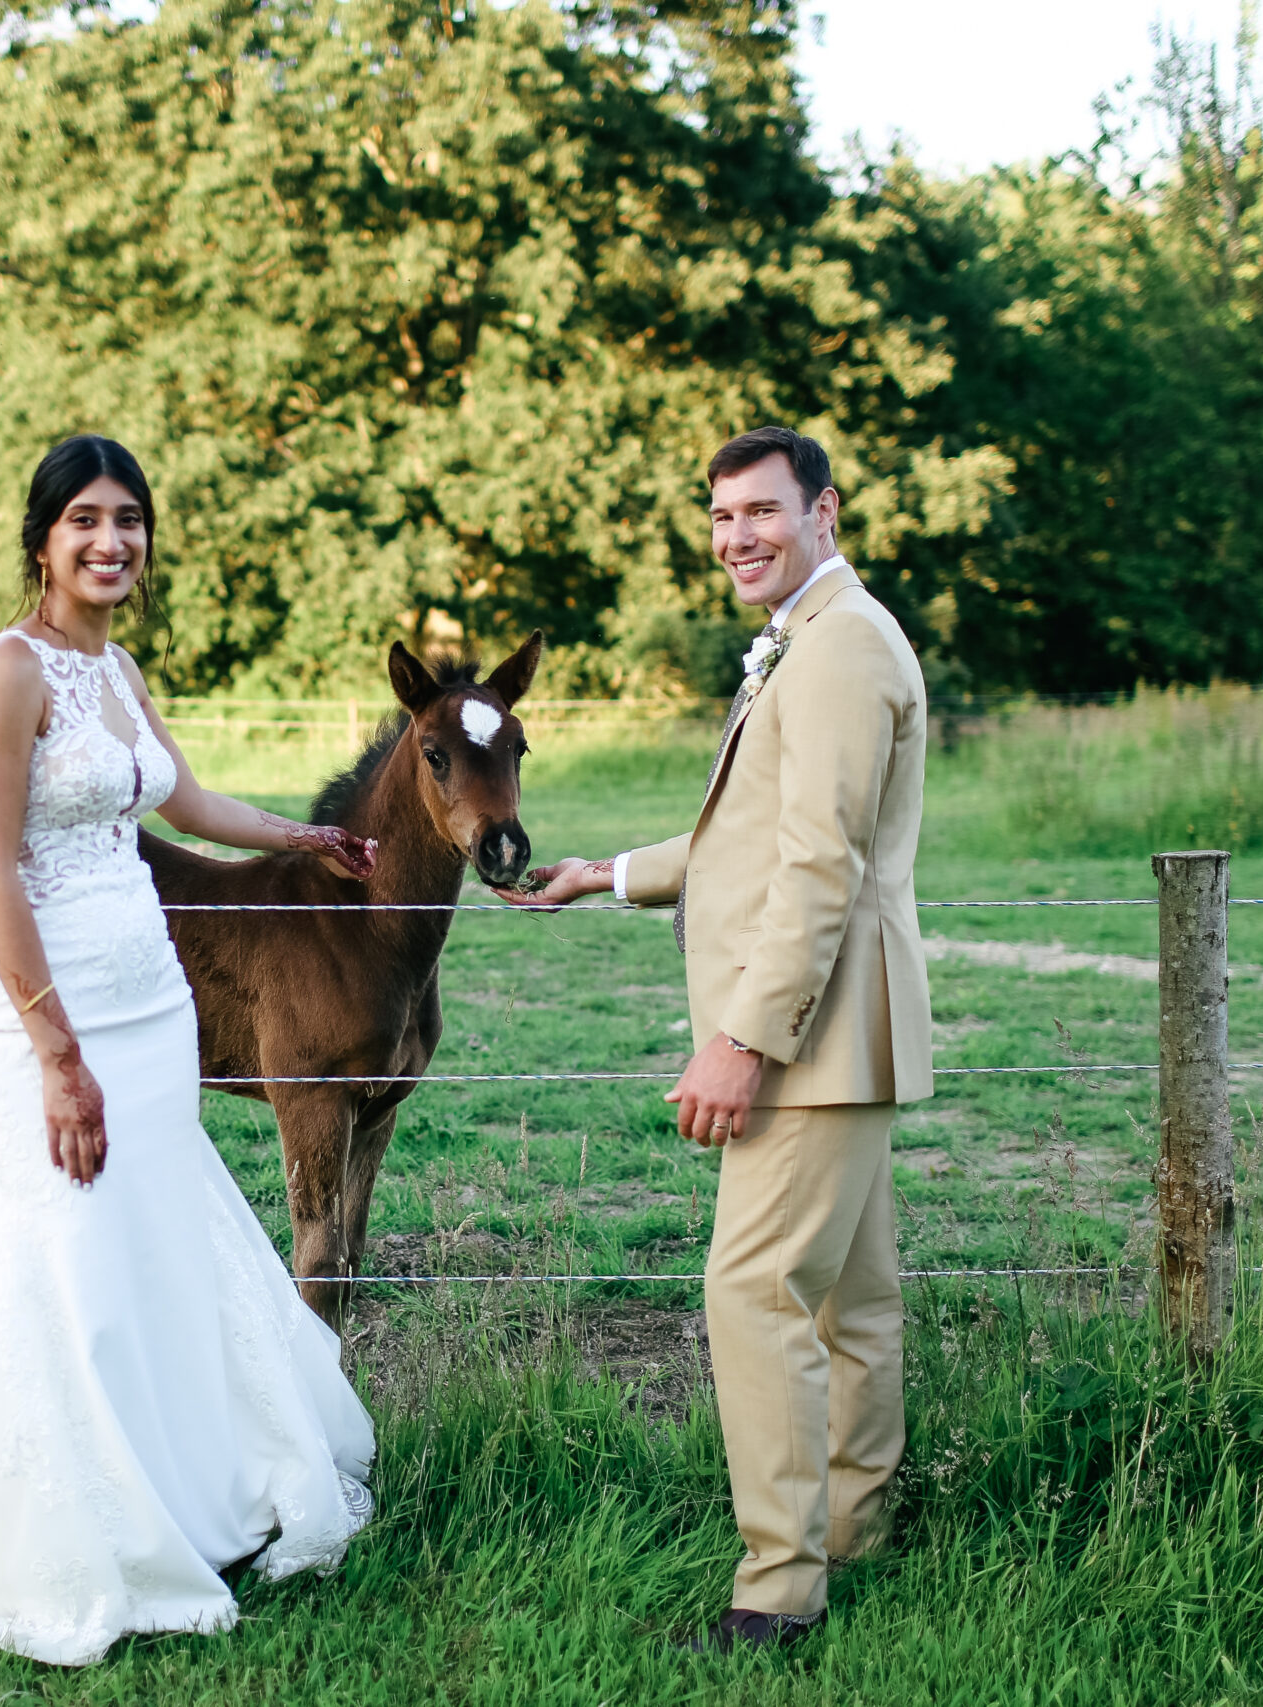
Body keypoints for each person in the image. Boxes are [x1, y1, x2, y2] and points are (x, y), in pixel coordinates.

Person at [0, 433, 378, 1667]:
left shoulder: (111, 668)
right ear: (42, 540)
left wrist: (307, 838)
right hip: (44, 1014)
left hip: (153, 1002)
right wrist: (55, 1053)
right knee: (61, 1246)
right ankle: (76, 1522)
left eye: (130, 522)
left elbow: (183, 800)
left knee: (152, 1243)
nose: (112, 542)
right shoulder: (5, 675)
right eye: (86, 523)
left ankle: (182, 1485)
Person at [503, 426, 933, 1652]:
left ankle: (778, 1595)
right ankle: (856, 1528)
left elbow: (819, 865)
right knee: (852, 1303)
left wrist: (741, 1041)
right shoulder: (808, 635)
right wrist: (610, 873)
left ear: (824, 512)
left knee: (751, 1292)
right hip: (848, 1033)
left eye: (760, 511)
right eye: (719, 517)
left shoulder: (842, 648)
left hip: (811, 1038)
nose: (737, 536)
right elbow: (750, 831)